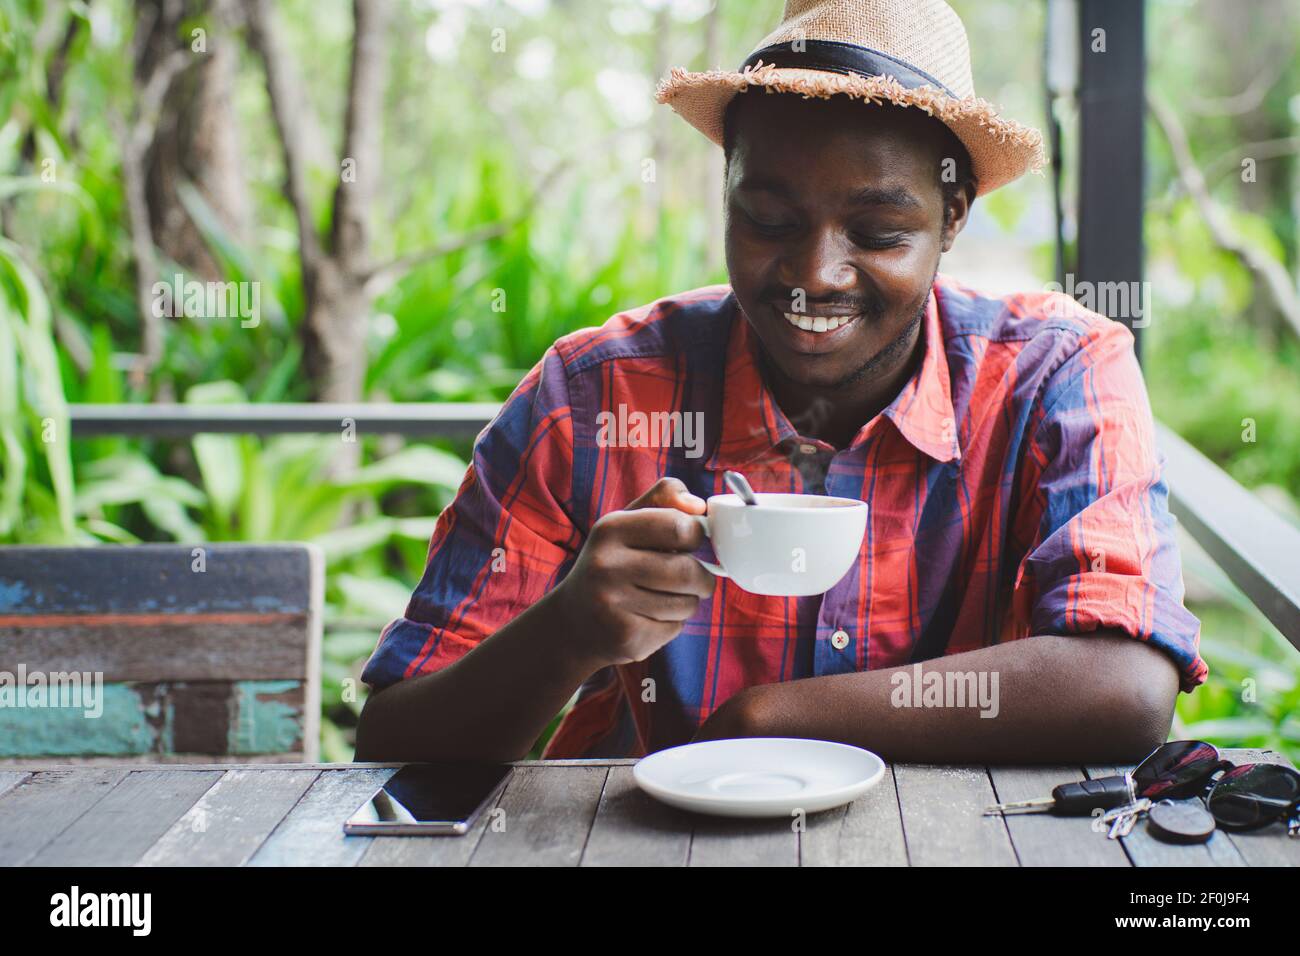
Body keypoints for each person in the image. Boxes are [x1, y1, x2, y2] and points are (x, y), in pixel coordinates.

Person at [355, 0, 1205, 765]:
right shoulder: (593, 398)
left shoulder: (1054, 373)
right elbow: (395, 740)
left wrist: (769, 718)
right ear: (725, 195)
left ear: (952, 218)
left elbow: (1124, 683)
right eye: (768, 221)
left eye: (877, 232)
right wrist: (569, 632)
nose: (813, 274)